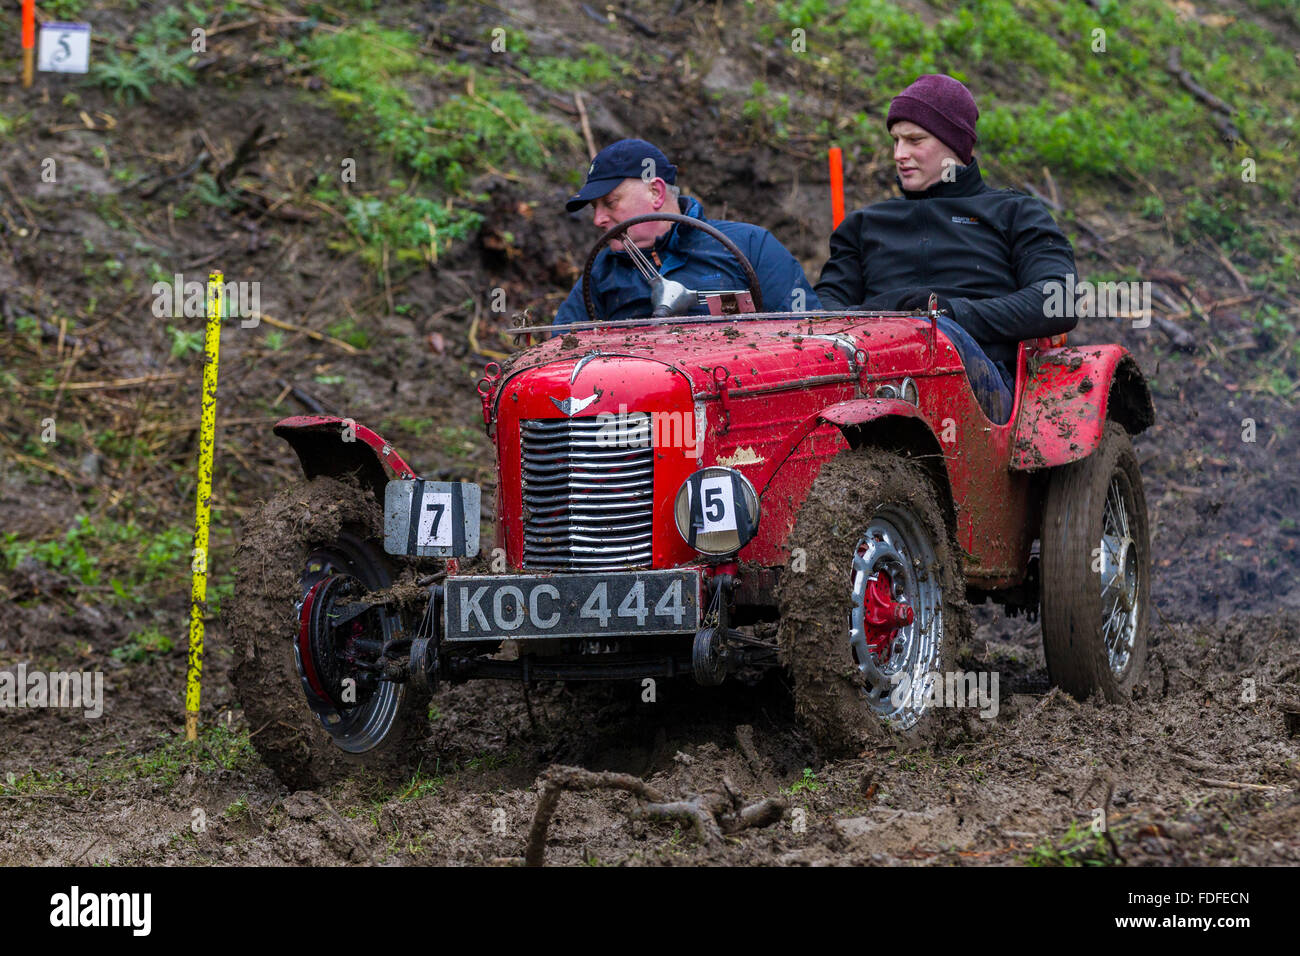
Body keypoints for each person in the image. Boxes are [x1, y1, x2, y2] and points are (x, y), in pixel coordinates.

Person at [814, 74, 1078, 424]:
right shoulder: (865, 224)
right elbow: (821, 313)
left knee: (938, 341)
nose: (899, 155)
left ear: (954, 145)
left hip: (981, 377)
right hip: (873, 367)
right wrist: (882, 320)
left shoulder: (1014, 212)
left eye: (914, 140)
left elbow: (1058, 298)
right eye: (895, 141)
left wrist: (952, 316)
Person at [553, 139, 820, 326]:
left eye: (610, 203)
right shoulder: (601, 272)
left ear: (655, 191)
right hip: (637, 405)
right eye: (594, 208)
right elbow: (561, 351)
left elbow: (809, 335)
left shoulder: (749, 246)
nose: (598, 219)